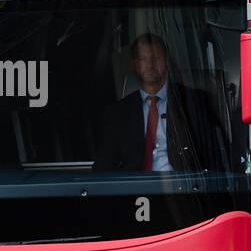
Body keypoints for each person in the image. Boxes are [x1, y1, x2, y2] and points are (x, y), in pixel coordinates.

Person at [94, 33, 228, 174]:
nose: (150, 64)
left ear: (167, 60)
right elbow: (103, 166)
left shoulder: (195, 102)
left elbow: (216, 157)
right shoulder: (119, 112)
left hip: (184, 189)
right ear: (134, 65)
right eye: (143, 59)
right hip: (135, 190)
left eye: (156, 57)